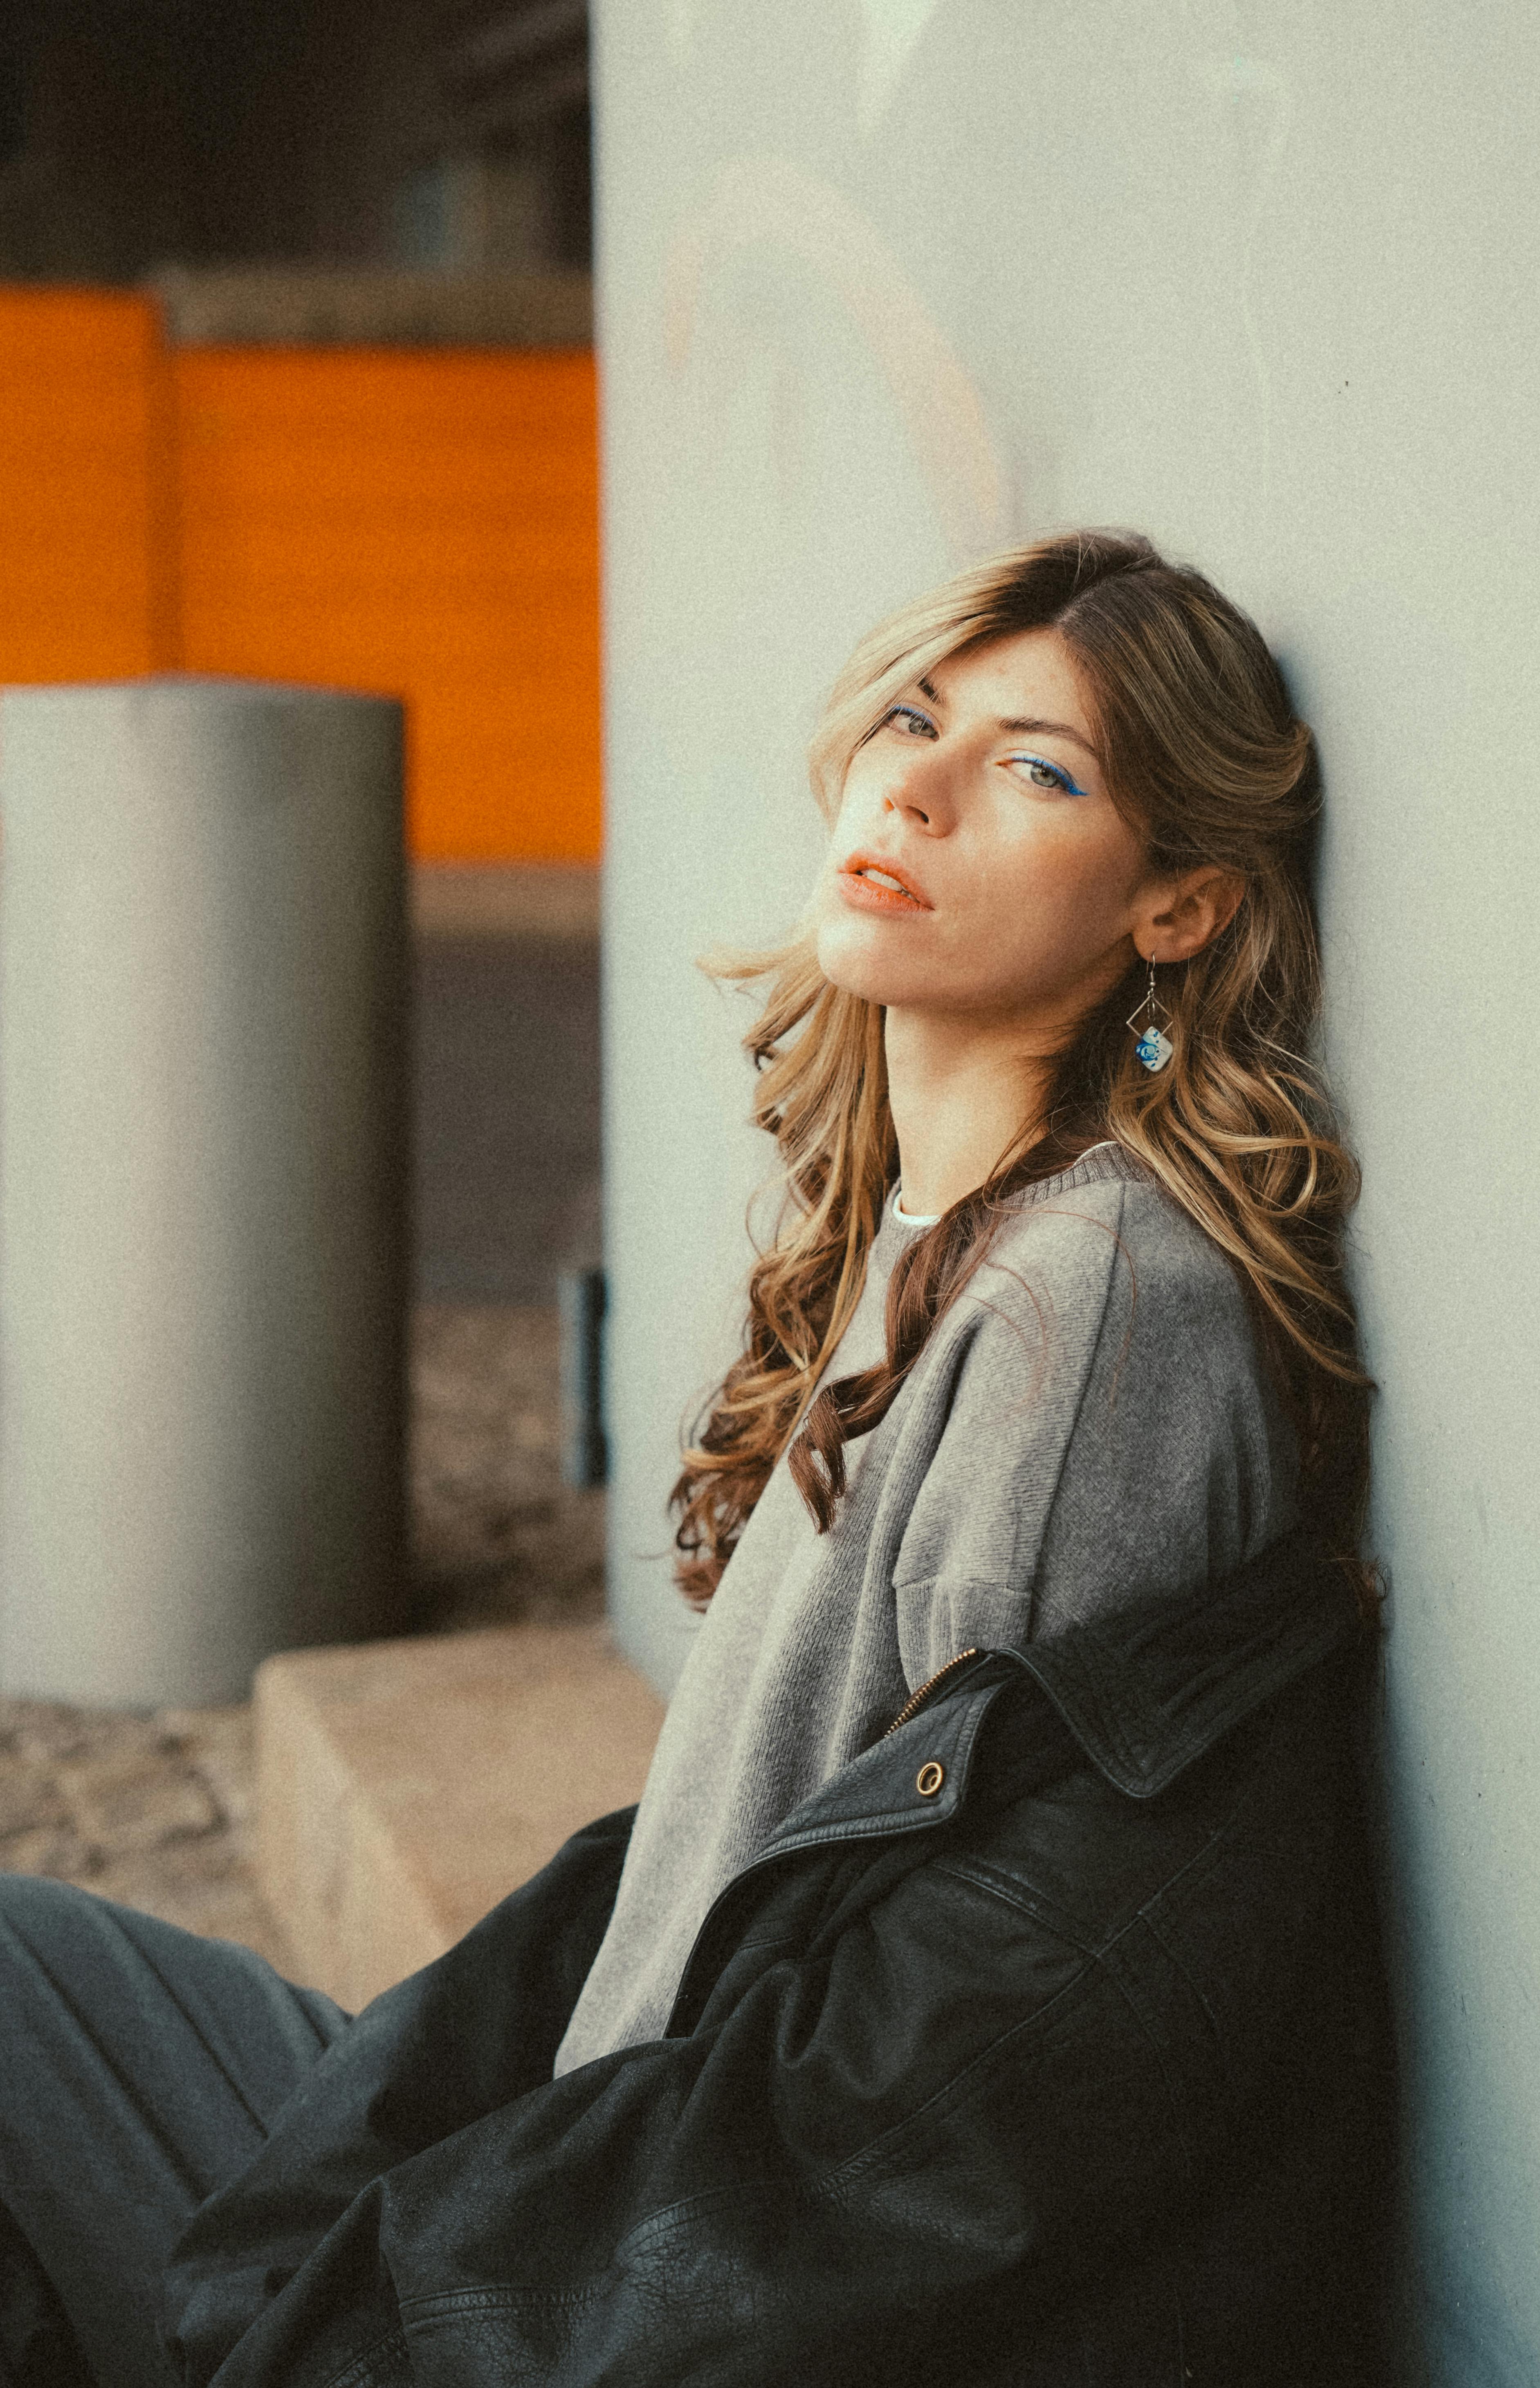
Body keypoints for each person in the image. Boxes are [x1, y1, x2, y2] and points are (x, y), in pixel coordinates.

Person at [0, 530, 1396, 2387]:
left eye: (1037, 769)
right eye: (919, 717)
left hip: (593, 2276)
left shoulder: (1095, 1319)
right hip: (553, 2159)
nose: (915, 781)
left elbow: (945, 2105)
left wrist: (417, 2310)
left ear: (1178, 910)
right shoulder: (924, 1237)